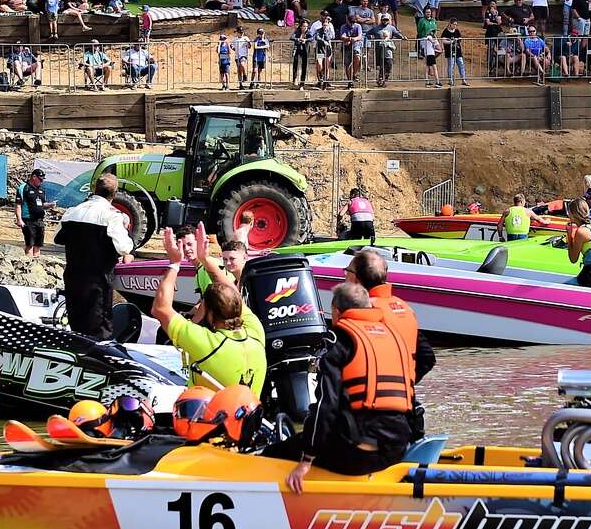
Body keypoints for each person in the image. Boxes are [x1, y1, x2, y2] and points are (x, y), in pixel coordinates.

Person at [274, 283, 416, 491]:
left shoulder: (339, 342)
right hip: (399, 448)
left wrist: (306, 459)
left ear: (338, 312)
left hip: (362, 453)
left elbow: (326, 406)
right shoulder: (393, 337)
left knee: (278, 451)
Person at [150, 226, 266, 394]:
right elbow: (232, 292)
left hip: (210, 417)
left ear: (210, 315)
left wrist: (174, 264)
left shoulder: (205, 344)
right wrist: (205, 259)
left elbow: (160, 308)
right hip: (249, 416)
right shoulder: (256, 331)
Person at [343, 248, 435, 437]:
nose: (344, 278)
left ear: (355, 279)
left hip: (376, 419)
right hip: (409, 411)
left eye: (346, 273)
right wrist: (405, 383)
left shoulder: (365, 312)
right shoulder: (403, 308)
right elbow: (427, 357)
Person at [55, 173, 134, 340]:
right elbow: (124, 247)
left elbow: (58, 238)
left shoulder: (72, 212)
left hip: (73, 279)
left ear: (94, 189)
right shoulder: (112, 216)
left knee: (76, 328)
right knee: (99, 332)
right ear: (115, 193)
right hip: (97, 283)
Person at [15, 167, 52, 257]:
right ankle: (29, 262)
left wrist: (50, 205)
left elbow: (42, 204)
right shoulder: (23, 188)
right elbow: (18, 205)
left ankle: (37, 263)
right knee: (30, 244)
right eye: (40, 179)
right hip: (28, 219)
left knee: (38, 244)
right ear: (34, 177)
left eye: (42, 180)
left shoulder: (42, 190)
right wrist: (19, 219)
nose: (41, 181)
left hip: (39, 220)